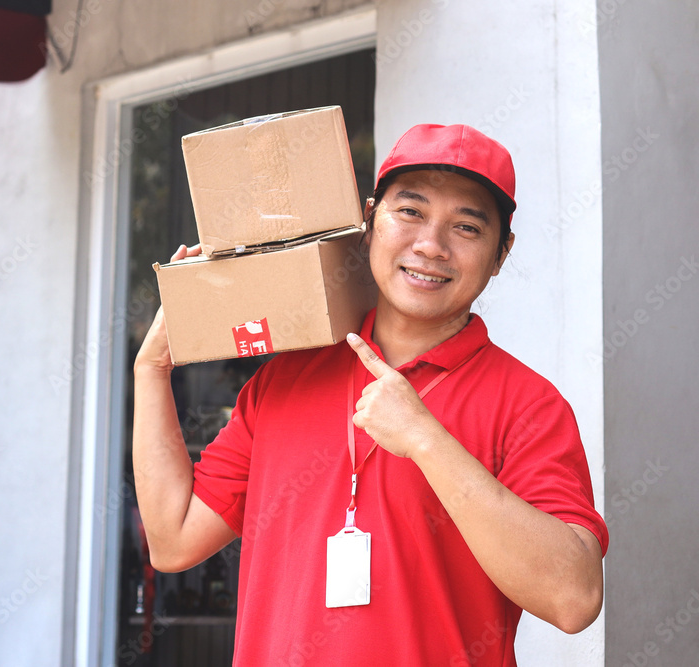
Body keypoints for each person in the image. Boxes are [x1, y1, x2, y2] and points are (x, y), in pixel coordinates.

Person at [132, 123, 608, 666]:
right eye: (410, 212)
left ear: (502, 254)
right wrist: (152, 368)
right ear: (368, 222)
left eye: (467, 227)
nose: (431, 245)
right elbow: (172, 541)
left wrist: (427, 439)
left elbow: (574, 599)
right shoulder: (284, 380)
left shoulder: (528, 404)